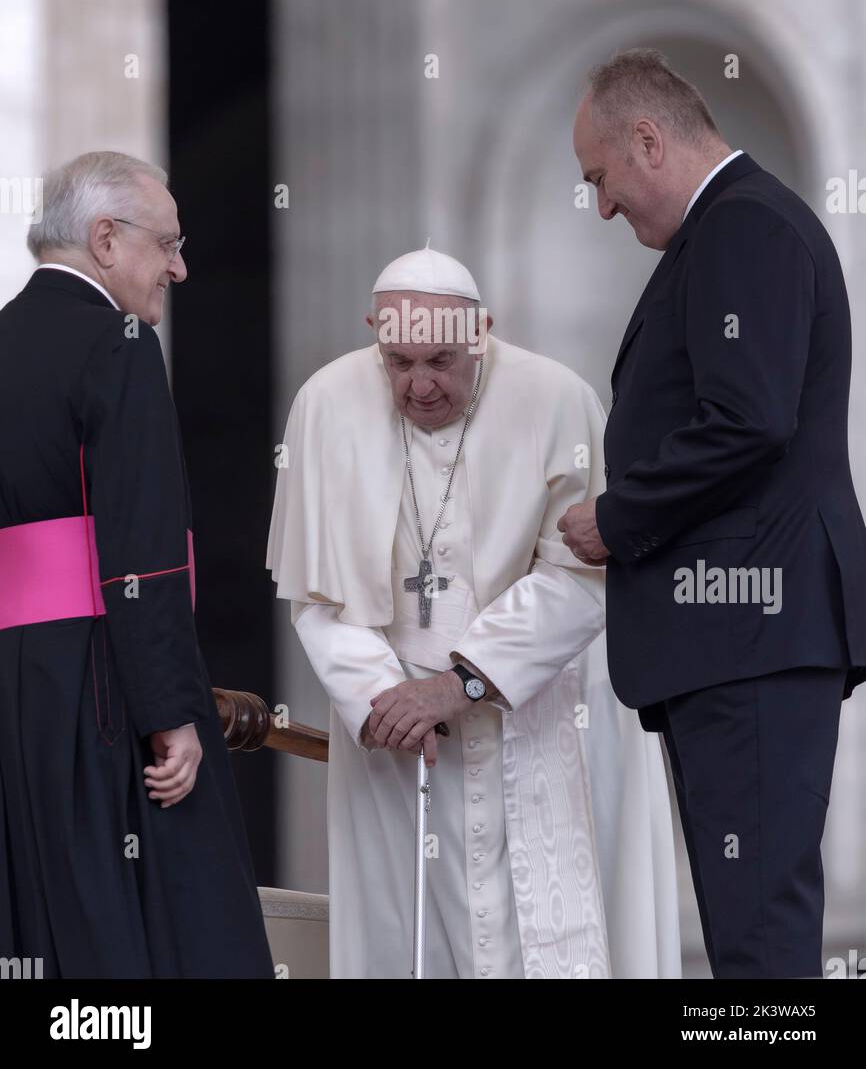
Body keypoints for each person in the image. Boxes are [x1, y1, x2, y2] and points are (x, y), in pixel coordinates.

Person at [267, 243, 680, 979]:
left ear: (482, 332)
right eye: (399, 362)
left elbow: (581, 576)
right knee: (412, 927)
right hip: (399, 736)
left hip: (542, 706)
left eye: (441, 363)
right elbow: (317, 591)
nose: (419, 386)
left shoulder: (557, 399)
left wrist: (463, 682)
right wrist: (383, 700)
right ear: (374, 334)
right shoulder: (324, 406)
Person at [562, 47, 866, 979]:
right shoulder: (737, 226)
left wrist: (618, 519)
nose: (604, 207)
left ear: (648, 140)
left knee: (758, 938)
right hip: (740, 632)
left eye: (601, 179)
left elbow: (749, 419)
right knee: (747, 932)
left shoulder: (742, 228)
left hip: (752, 627)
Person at [0, 150, 273, 978]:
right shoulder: (119, 344)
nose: (180, 268)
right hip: (105, 680)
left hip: (18, 684)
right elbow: (142, 553)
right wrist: (171, 714)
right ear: (106, 239)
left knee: (43, 912)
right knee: (156, 922)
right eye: (168, 244)